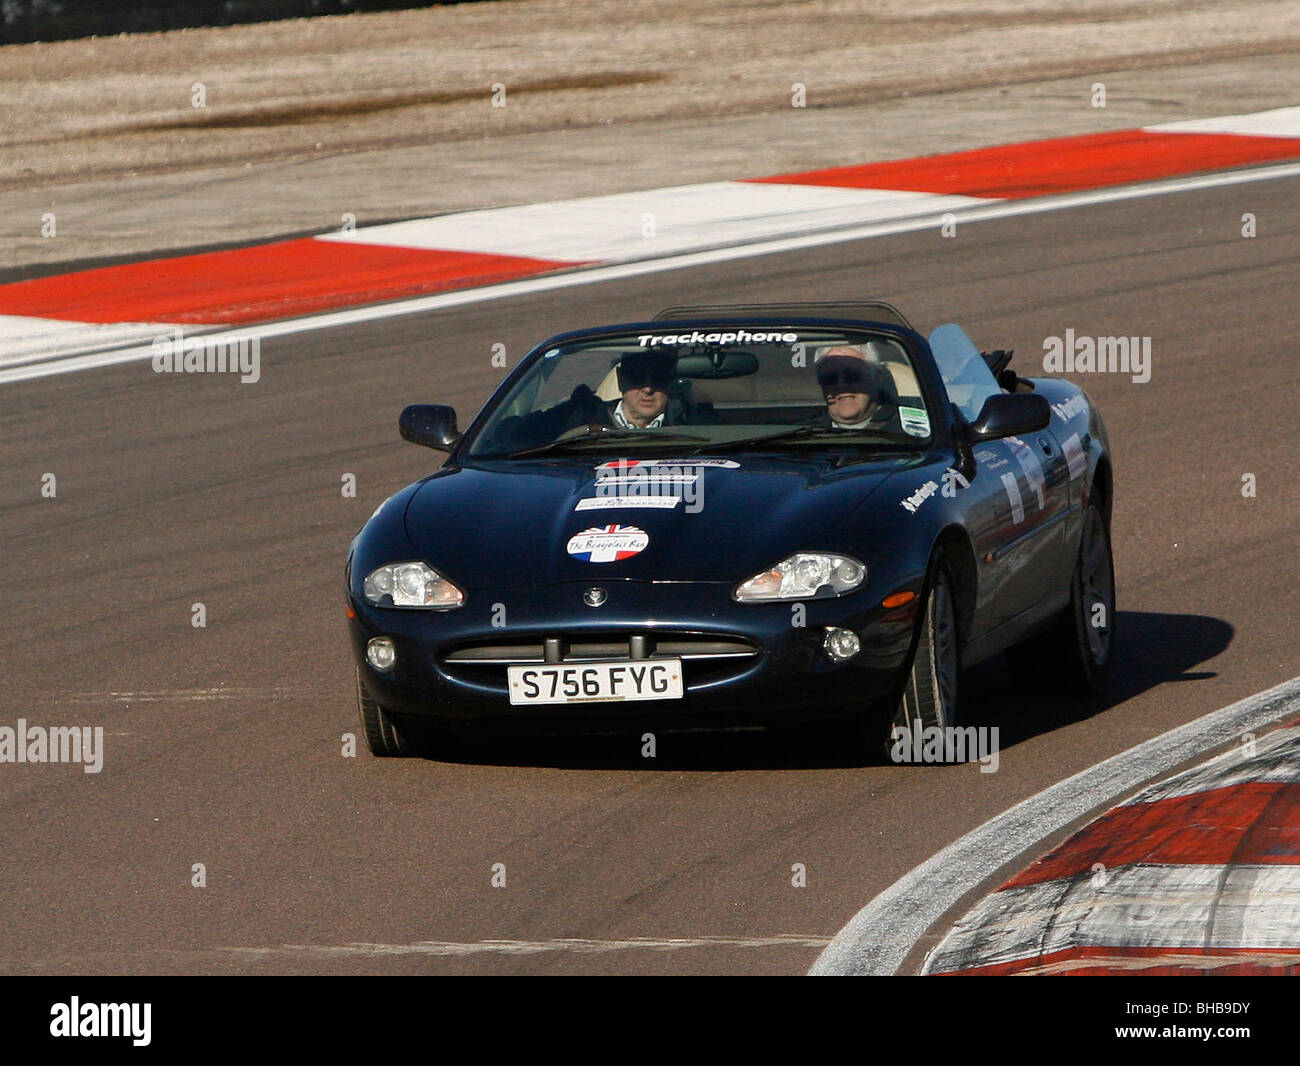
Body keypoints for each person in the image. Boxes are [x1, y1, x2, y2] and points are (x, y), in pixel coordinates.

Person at [494, 349, 697, 448]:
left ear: (670, 384)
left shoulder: (694, 423)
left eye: (658, 379)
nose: (647, 388)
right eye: (636, 378)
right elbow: (509, 436)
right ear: (621, 381)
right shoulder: (580, 413)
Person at [812, 345, 903, 433]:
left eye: (852, 375)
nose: (842, 386)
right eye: (830, 377)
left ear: (876, 377)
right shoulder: (805, 433)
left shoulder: (907, 432)